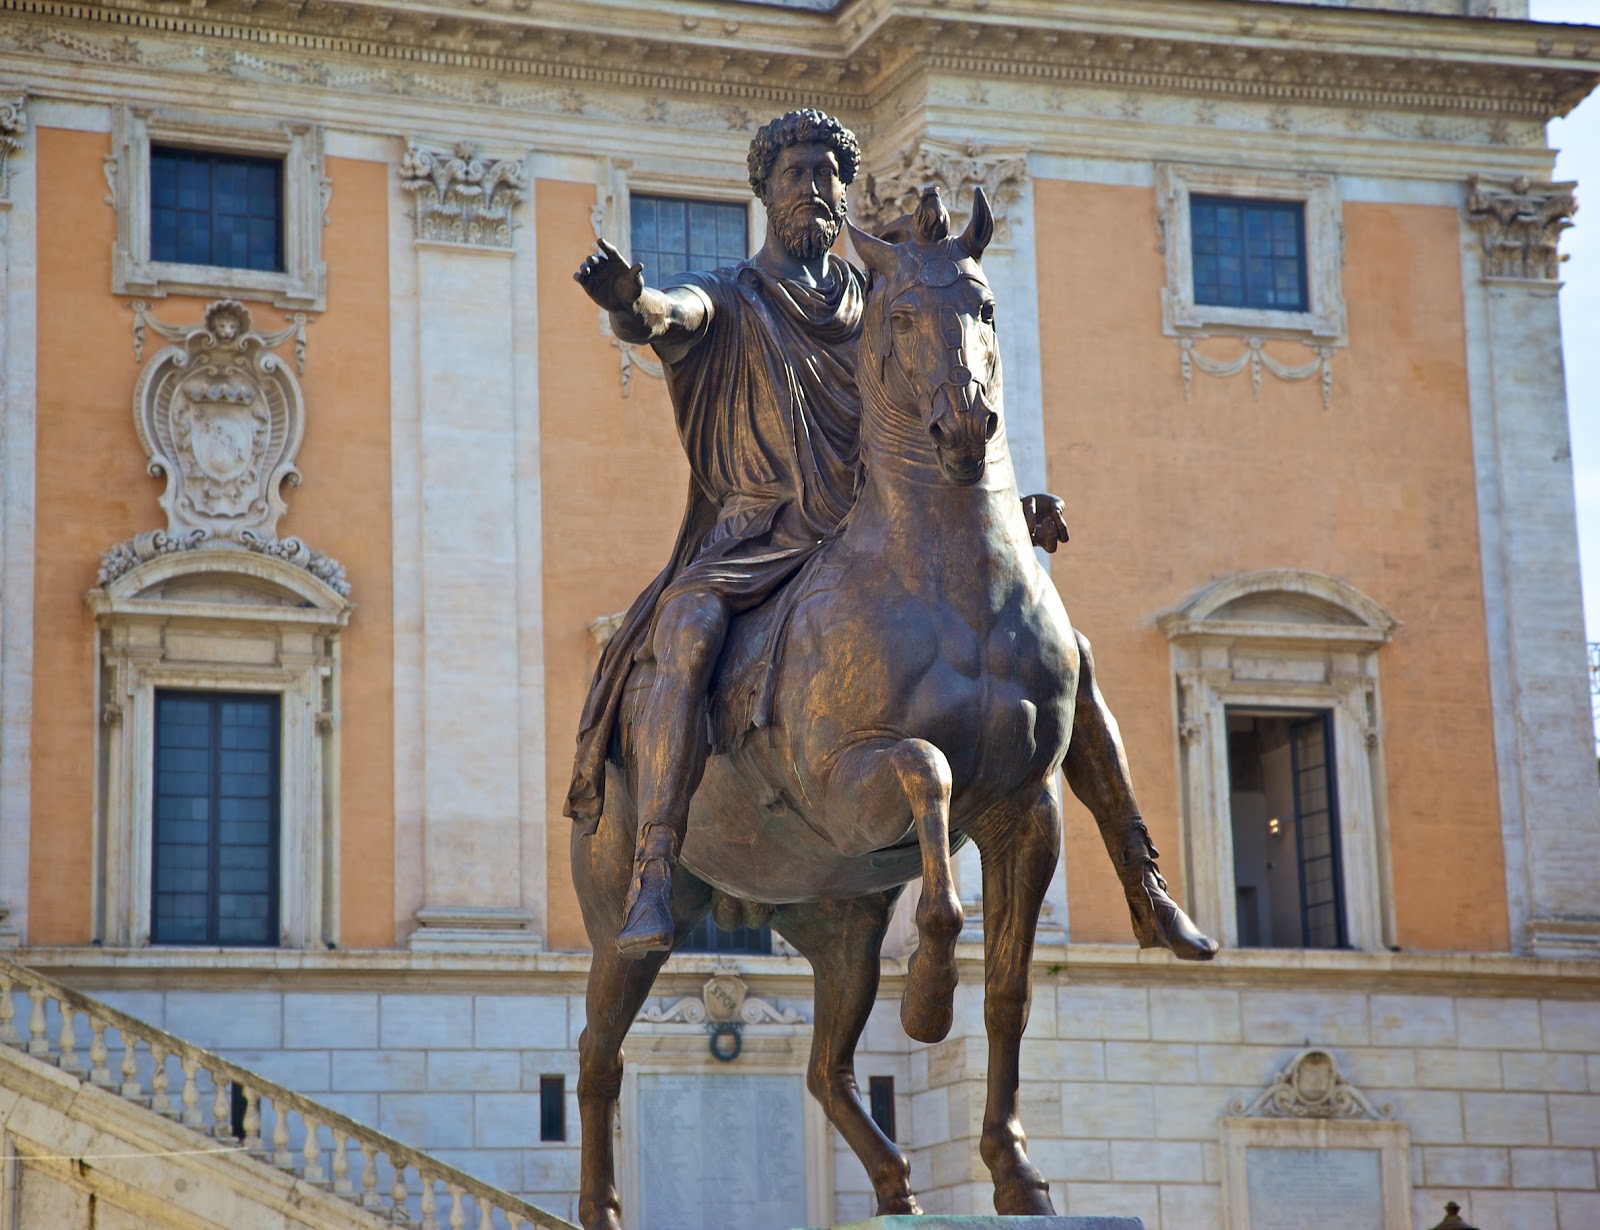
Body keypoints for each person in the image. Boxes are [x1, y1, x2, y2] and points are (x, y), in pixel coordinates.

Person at [568, 110, 1214, 963]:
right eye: (795, 172)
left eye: (829, 174)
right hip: (759, 534)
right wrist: (633, 305)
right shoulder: (732, 297)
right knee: (684, 632)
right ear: (764, 192)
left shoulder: (889, 305)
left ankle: (1142, 875)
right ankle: (654, 865)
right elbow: (670, 314)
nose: (814, 187)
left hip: (877, 530)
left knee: (1071, 653)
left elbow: (938, 414)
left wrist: (1007, 509)